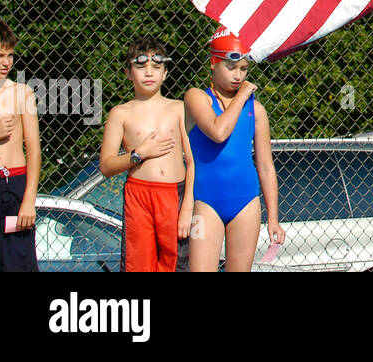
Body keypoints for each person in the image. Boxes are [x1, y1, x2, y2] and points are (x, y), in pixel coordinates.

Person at [185, 27, 285, 272]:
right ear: (213, 63)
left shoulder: (256, 110)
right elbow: (218, 133)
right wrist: (242, 97)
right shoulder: (196, 97)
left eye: (243, 69)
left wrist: (273, 217)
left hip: (246, 203)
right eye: (231, 68)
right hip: (206, 202)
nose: (238, 76)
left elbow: (265, 166)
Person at [99, 36, 195, 272]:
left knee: (175, 264)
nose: (149, 73)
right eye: (141, 67)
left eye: (156, 66)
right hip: (139, 197)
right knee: (138, 265)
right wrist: (138, 154)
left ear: (165, 73)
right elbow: (107, 165)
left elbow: (194, 162)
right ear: (128, 73)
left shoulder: (179, 108)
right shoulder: (120, 113)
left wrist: (187, 208)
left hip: (175, 195)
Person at [0, 19, 39, 272]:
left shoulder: (22, 93)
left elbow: (34, 150)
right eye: (0, 55)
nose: (6, 62)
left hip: (14, 185)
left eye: (10, 55)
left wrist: (29, 199)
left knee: (18, 259)